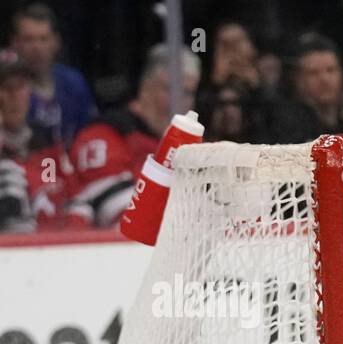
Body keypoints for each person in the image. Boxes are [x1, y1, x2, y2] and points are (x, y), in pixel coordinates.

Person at [67, 45, 199, 228]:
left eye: (187, 93)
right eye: (169, 90)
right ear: (145, 86)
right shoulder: (104, 136)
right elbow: (123, 218)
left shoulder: (193, 147)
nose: (177, 102)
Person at [0, 48, 75, 231]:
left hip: (60, 249)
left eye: (20, 85)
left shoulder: (48, 142)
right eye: (5, 87)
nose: (14, 96)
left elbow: (74, 197)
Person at [8, 3, 95, 147]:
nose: (37, 48)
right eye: (28, 39)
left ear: (56, 42)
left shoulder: (74, 82)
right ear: (15, 43)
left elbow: (90, 134)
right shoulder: (8, 90)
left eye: (44, 39)